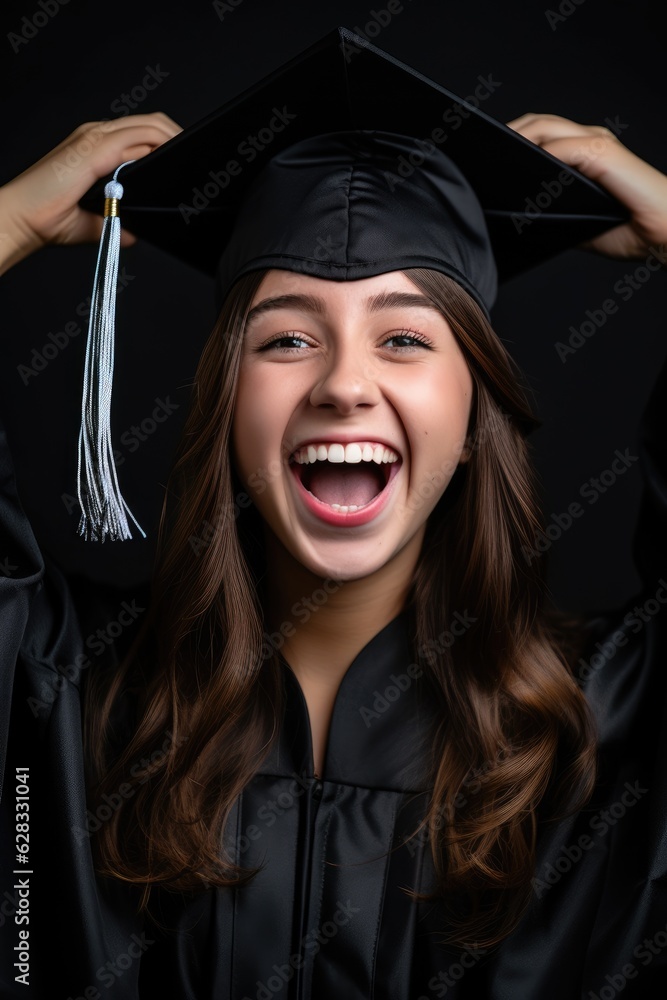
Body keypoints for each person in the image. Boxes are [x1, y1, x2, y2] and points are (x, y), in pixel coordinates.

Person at [1, 69, 667, 1000]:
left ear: (476, 411)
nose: (343, 384)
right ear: (225, 406)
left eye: (404, 339)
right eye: (284, 340)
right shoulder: (71, 698)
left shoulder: (600, 732)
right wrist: (12, 225)